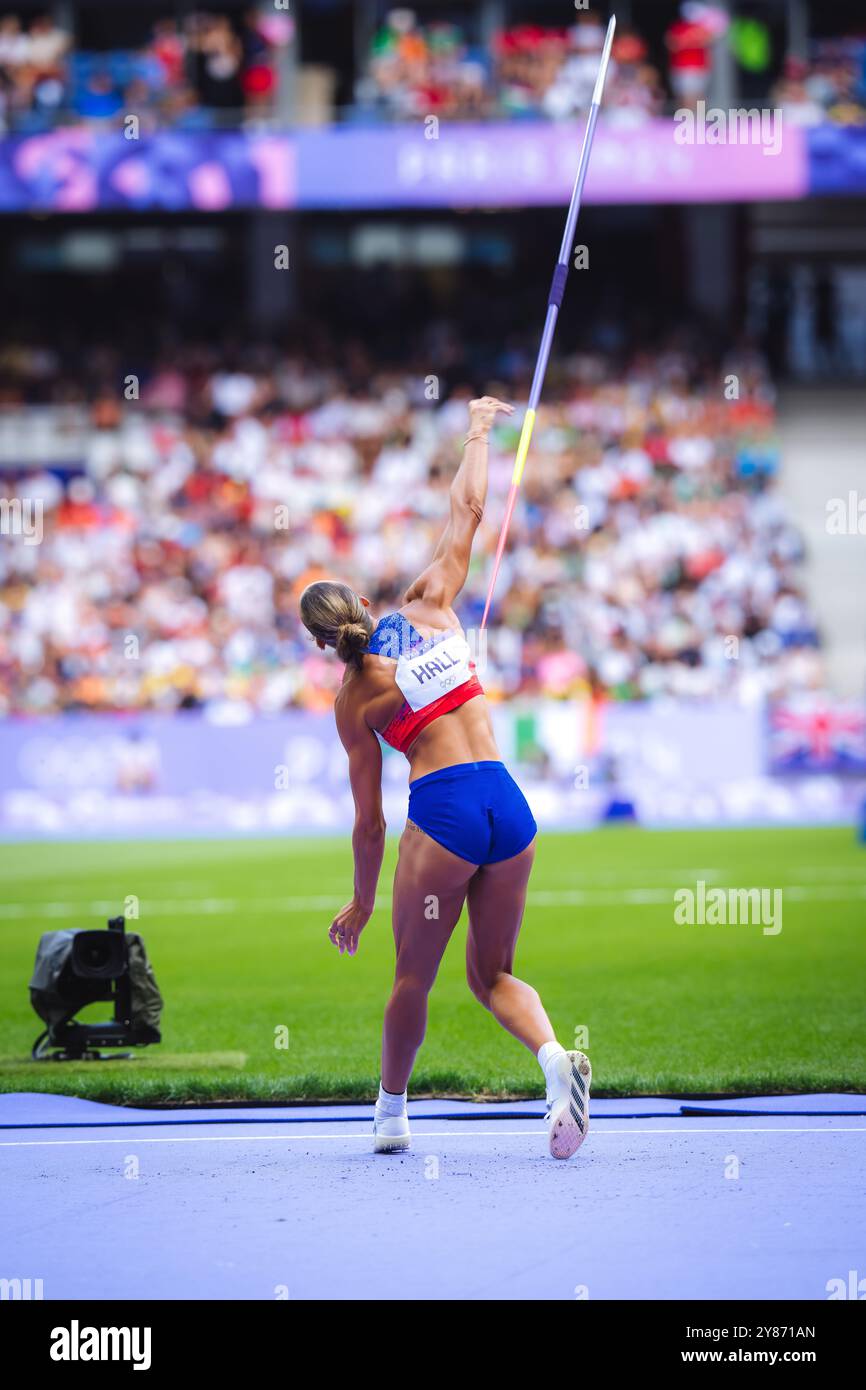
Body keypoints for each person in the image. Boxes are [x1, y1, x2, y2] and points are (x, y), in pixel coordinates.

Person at [299, 396, 591, 1159]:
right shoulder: (431, 602)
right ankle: (555, 1060)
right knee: (493, 973)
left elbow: (368, 823)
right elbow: (468, 507)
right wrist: (479, 428)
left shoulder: (352, 699)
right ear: (363, 604)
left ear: (320, 642)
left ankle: (392, 1116)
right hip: (508, 804)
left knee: (411, 980)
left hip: (447, 812)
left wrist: (362, 902)